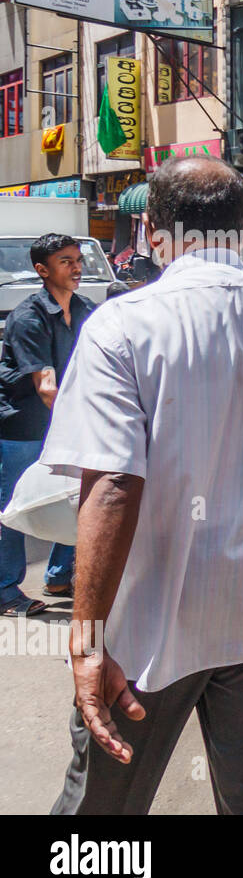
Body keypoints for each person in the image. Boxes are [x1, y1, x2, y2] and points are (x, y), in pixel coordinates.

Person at [41, 156, 243, 814]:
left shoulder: (123, 327)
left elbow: (112, 489)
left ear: (152, 229)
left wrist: (87, 641)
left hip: (150, 624)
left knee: (102, 811)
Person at [0, 234, 93, 617]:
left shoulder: (86, 309)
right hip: (24, 425)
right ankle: (5, 589)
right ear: (42, 270)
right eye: (65, 261)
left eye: (77, 259)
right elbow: (47, 388)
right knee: (15, 508)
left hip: (65, 422)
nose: (76, 268)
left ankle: (59, 575)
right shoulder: (28, 317)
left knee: (74, 498)